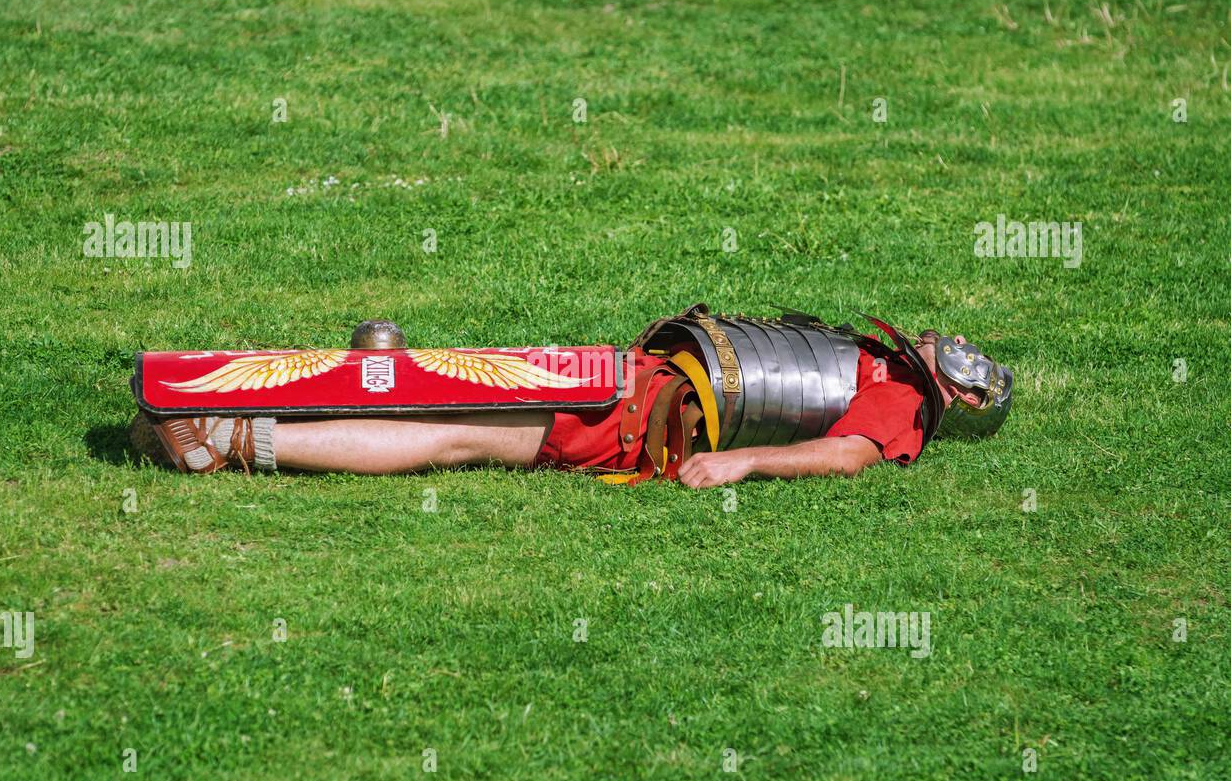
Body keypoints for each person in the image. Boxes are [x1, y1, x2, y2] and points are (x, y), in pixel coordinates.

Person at [130, 304, 1012, 489]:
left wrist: (735, 462)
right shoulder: (873, 355)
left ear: (959, 402)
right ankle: (245, 416)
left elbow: (846, 454)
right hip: (623, 377)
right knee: (444, 390)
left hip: (634, 422)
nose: (957, 346)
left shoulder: (902, 405)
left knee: (454, 436)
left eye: (971, 365)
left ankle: (237, 441)